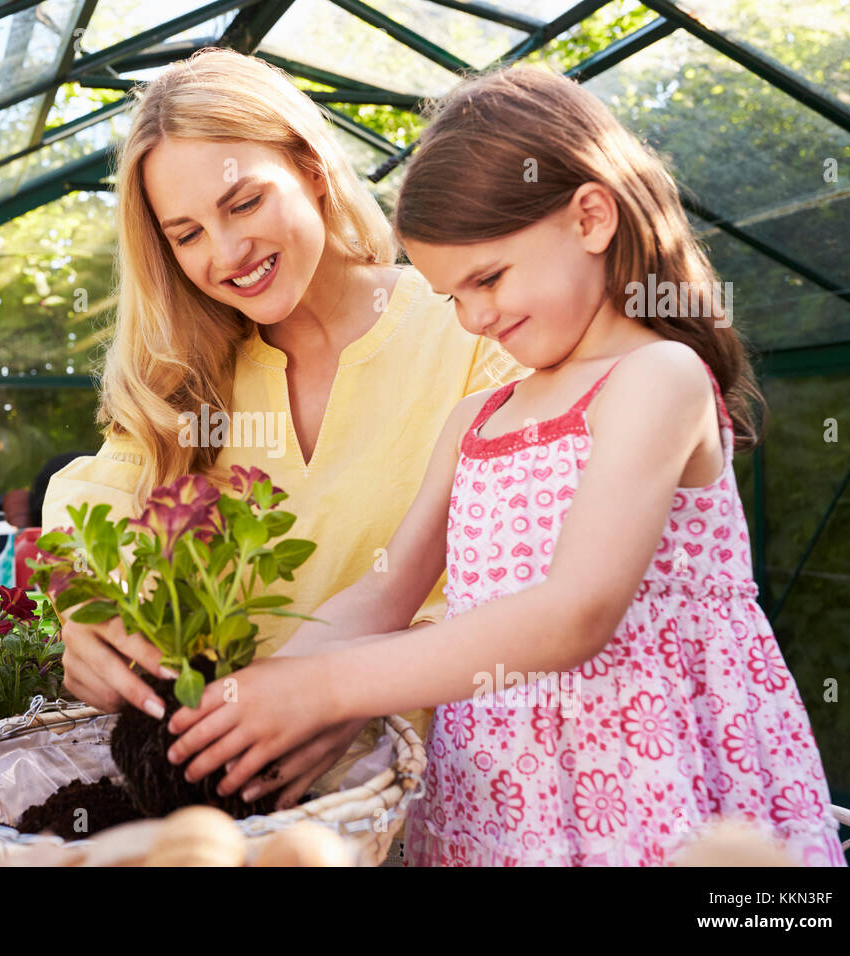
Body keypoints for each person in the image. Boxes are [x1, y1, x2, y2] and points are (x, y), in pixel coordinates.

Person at [166, 66, 846, 866]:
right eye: (453, 297)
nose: (477, 317)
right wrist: (255, 690)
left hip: (649, 785)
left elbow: (574, 614)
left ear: (591, 216)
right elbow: (387, 591)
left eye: (488, 277)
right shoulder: (478, 419)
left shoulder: (656, 380)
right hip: (499, 803)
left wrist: (327, 688)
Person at [40, 48, 526, 809]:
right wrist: (86, 611)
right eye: (187, 233)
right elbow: (93, 506)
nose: (227, 254)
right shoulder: (190, 377)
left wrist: (352, 693)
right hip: (245, 806)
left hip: (465, 799)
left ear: (311, 167)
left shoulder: (475, 334)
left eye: (243, 204)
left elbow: (519, 590)